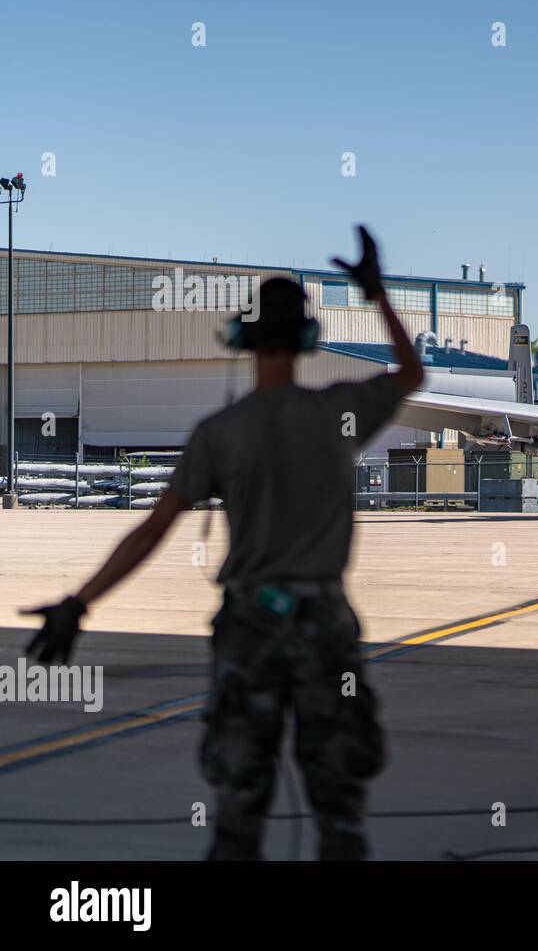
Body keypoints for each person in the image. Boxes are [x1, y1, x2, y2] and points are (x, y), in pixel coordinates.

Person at [22, 227, 423, 859]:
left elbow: (151, 530)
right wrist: (376, 292)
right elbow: (411, 372)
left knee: (239, 812)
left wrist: (80, 602)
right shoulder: (339, 414)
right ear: (308, 340)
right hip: (324, 621)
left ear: (243, 338)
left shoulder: (220, 432)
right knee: (339, 814)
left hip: (251, 625)